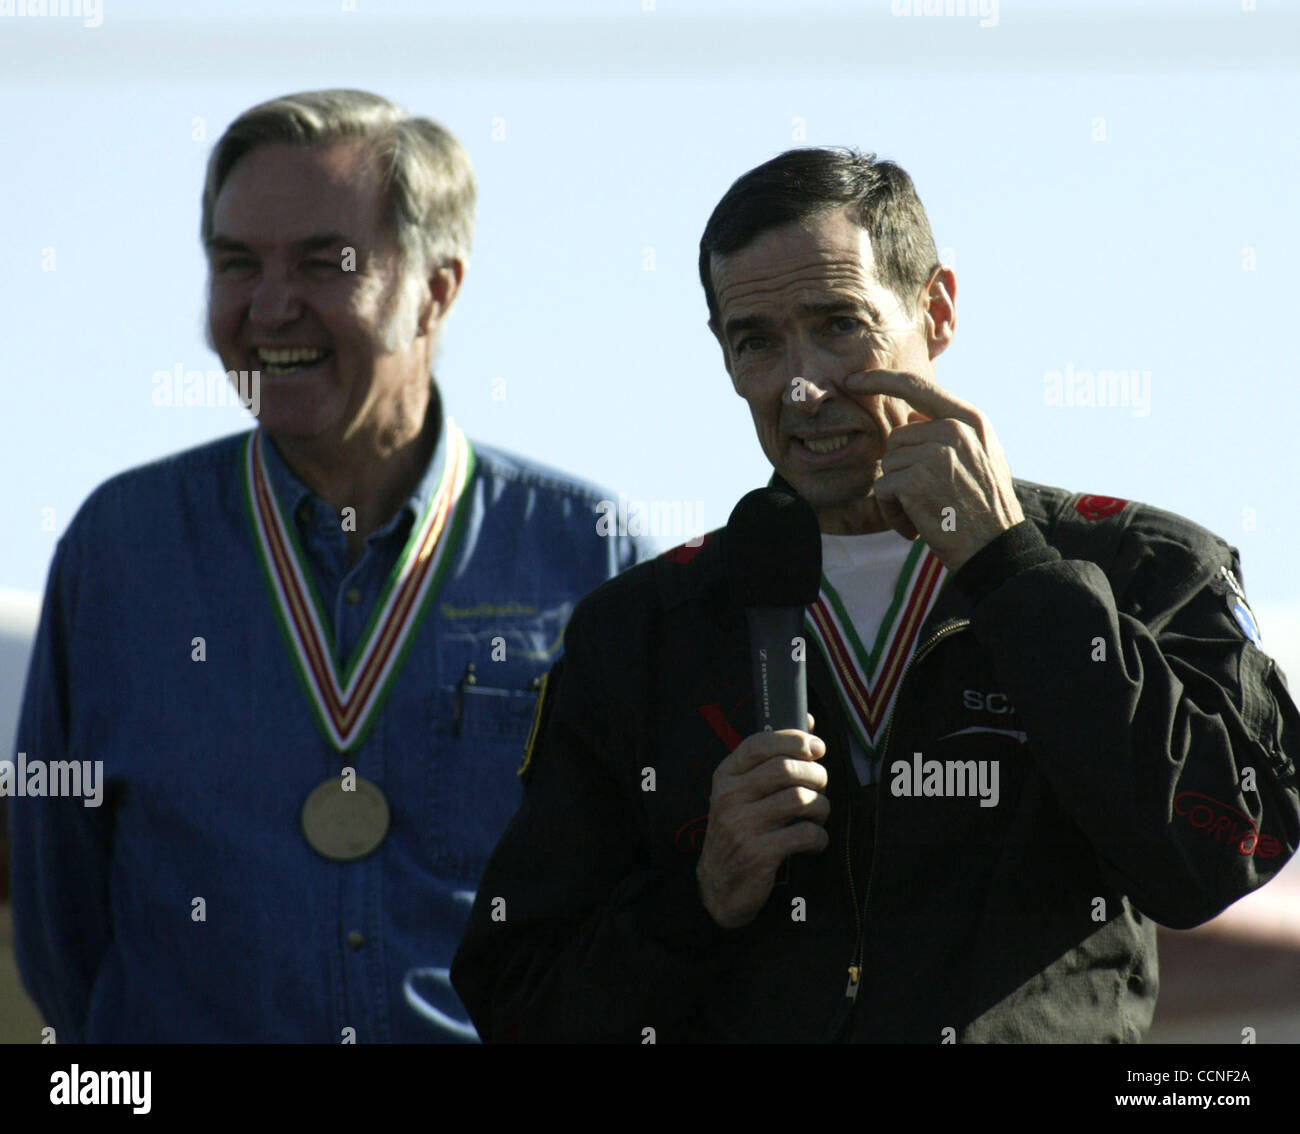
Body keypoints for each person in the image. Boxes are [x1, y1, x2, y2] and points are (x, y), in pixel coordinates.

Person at [451, 147, 1300, 1042]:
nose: (802, 382)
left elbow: (1226, 850)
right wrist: (701, 900)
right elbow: (519, 1003)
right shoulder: (642, 630)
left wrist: (1013, 570)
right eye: (757, 341)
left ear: (936, 310)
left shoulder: (1145, 565)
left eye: (837, 324)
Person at [9, 89, 647, 1043]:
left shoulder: (588, 554)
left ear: (437, 288)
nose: (269, 307)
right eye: (235, 264)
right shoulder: (118, 554)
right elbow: (63, 923)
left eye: (323, 263)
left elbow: (640, 907)